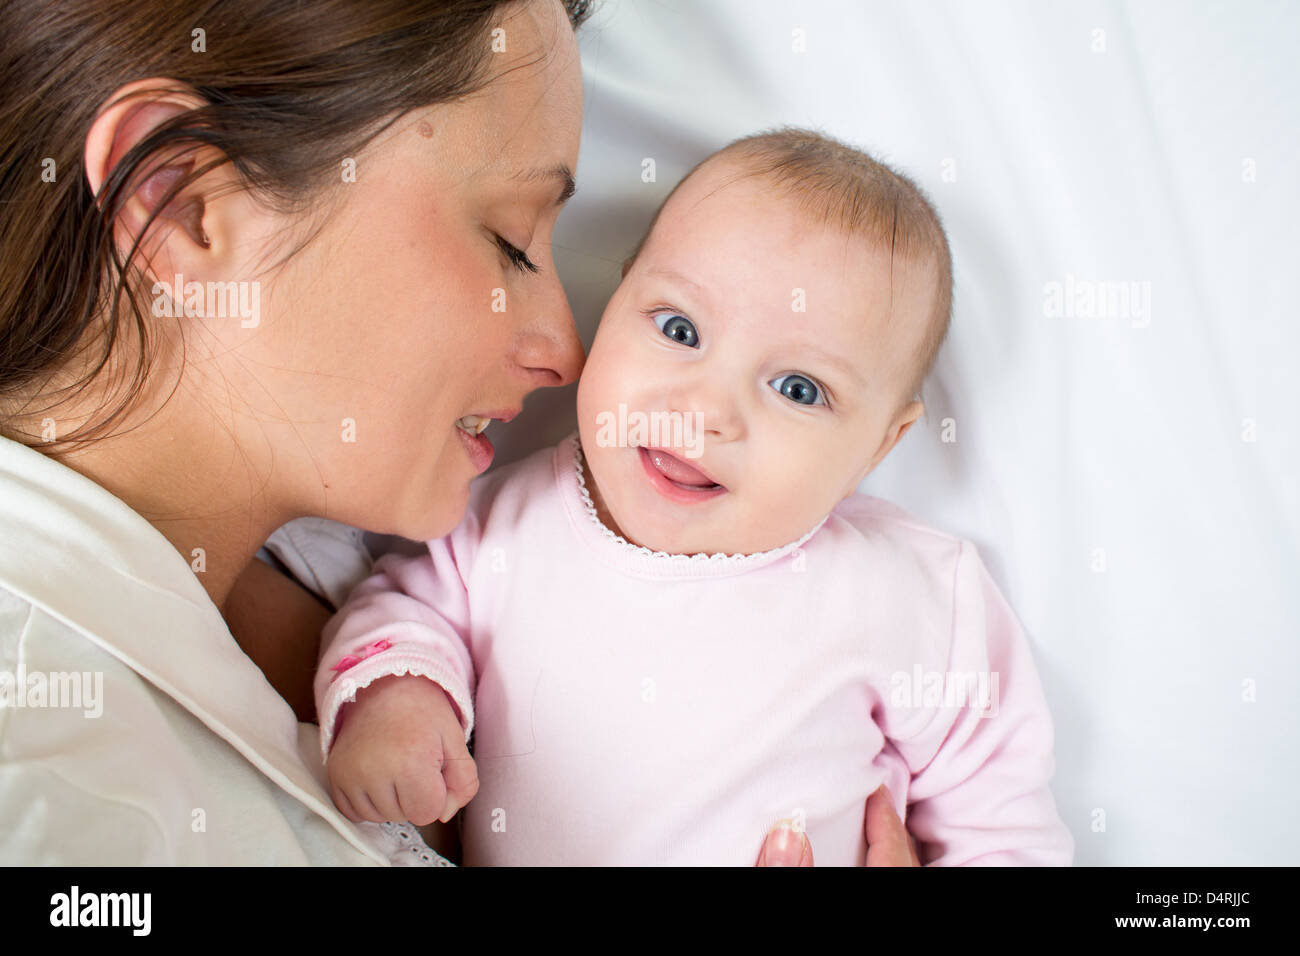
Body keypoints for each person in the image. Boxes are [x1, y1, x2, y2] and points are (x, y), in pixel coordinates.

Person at [0, 0, 913, 865]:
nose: (567, 349)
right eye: (510, 240)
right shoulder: (46, 768)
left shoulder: (343, 586)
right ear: (184, 203)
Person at [310, 130, 1075, 864]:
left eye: (798, 388)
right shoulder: (506, 524)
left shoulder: (910, 593)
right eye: (678, 329)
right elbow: (405, 611)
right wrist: (398, 700)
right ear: (613, 303)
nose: (706, 410)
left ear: (879, 445)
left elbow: (1001, 821)